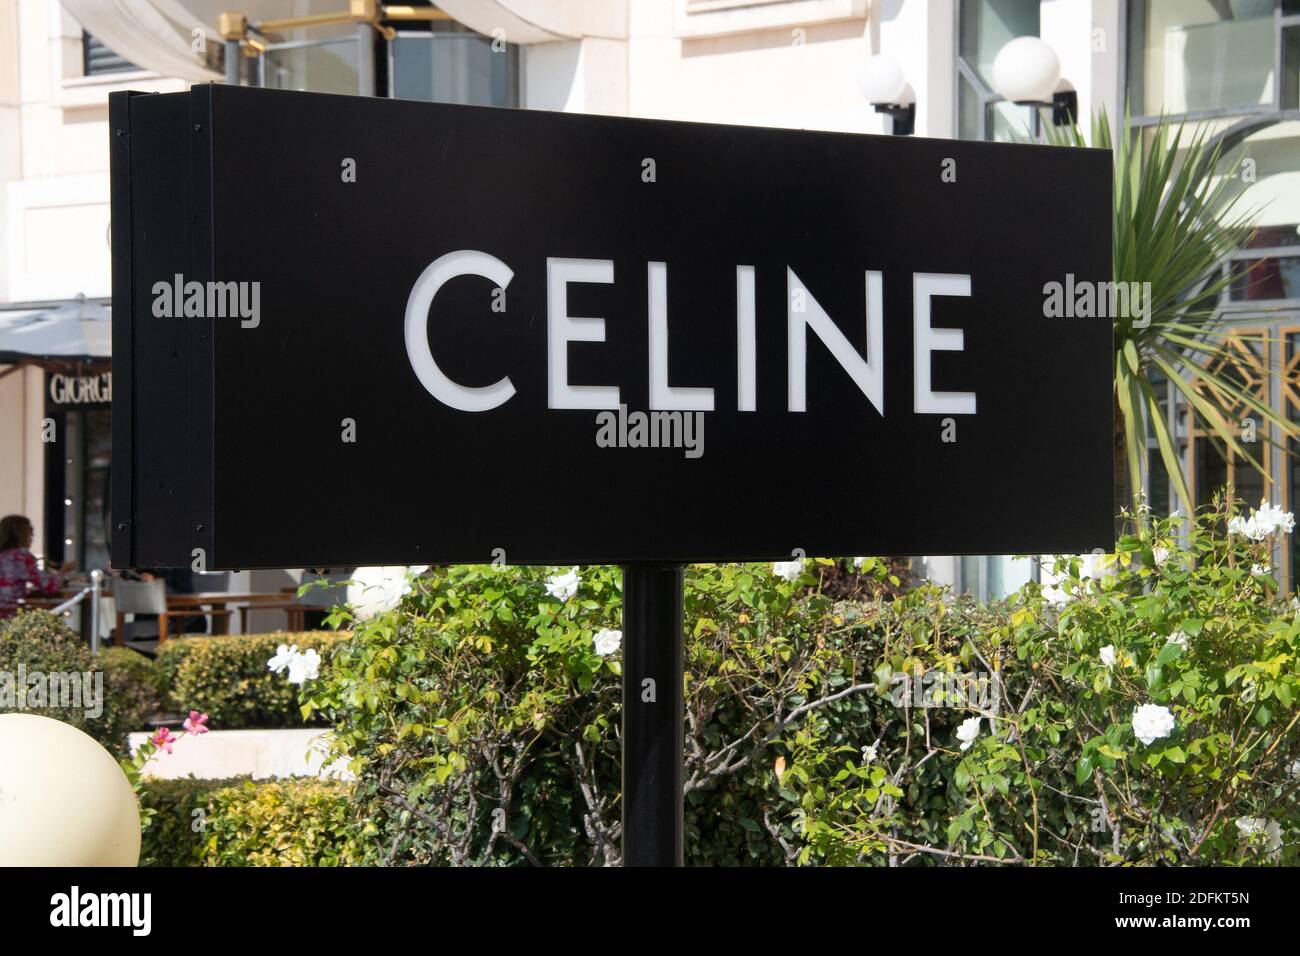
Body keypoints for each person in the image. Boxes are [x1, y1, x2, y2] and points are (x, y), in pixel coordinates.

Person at [0, 514, 73, 620]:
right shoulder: (19, 557)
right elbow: (49, 586)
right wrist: (63, 571)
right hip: (8, 616)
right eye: (30, 534)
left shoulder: (3, 555)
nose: (32, 539)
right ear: (21, 535)